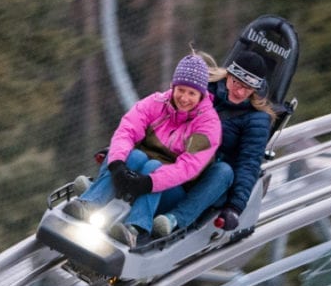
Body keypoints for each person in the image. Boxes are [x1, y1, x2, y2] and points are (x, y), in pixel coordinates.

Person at [63, 52, 222, 247]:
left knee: (155, 165)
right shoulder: (156, 103)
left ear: (201, 95)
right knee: (135, 155)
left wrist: (150, 182)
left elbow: (187, 167)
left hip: (169, 189)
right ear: (173, 87)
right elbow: (127, 130)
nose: (184, 98)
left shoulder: (208, 124)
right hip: (135, 175)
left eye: (192, 93)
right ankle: (89, 203)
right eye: (181, 90)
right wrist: (118, 165)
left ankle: (136, 228)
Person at [150, 48, 276, 238]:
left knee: (224, 171)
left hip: (210, 181)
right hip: (179, 165)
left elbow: (249, 163)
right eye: (236, 83)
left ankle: (174, 220)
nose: (240, 92)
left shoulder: (257, 119)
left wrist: (235, 207)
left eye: (247, 89)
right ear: (228, 75)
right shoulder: (204, 89)